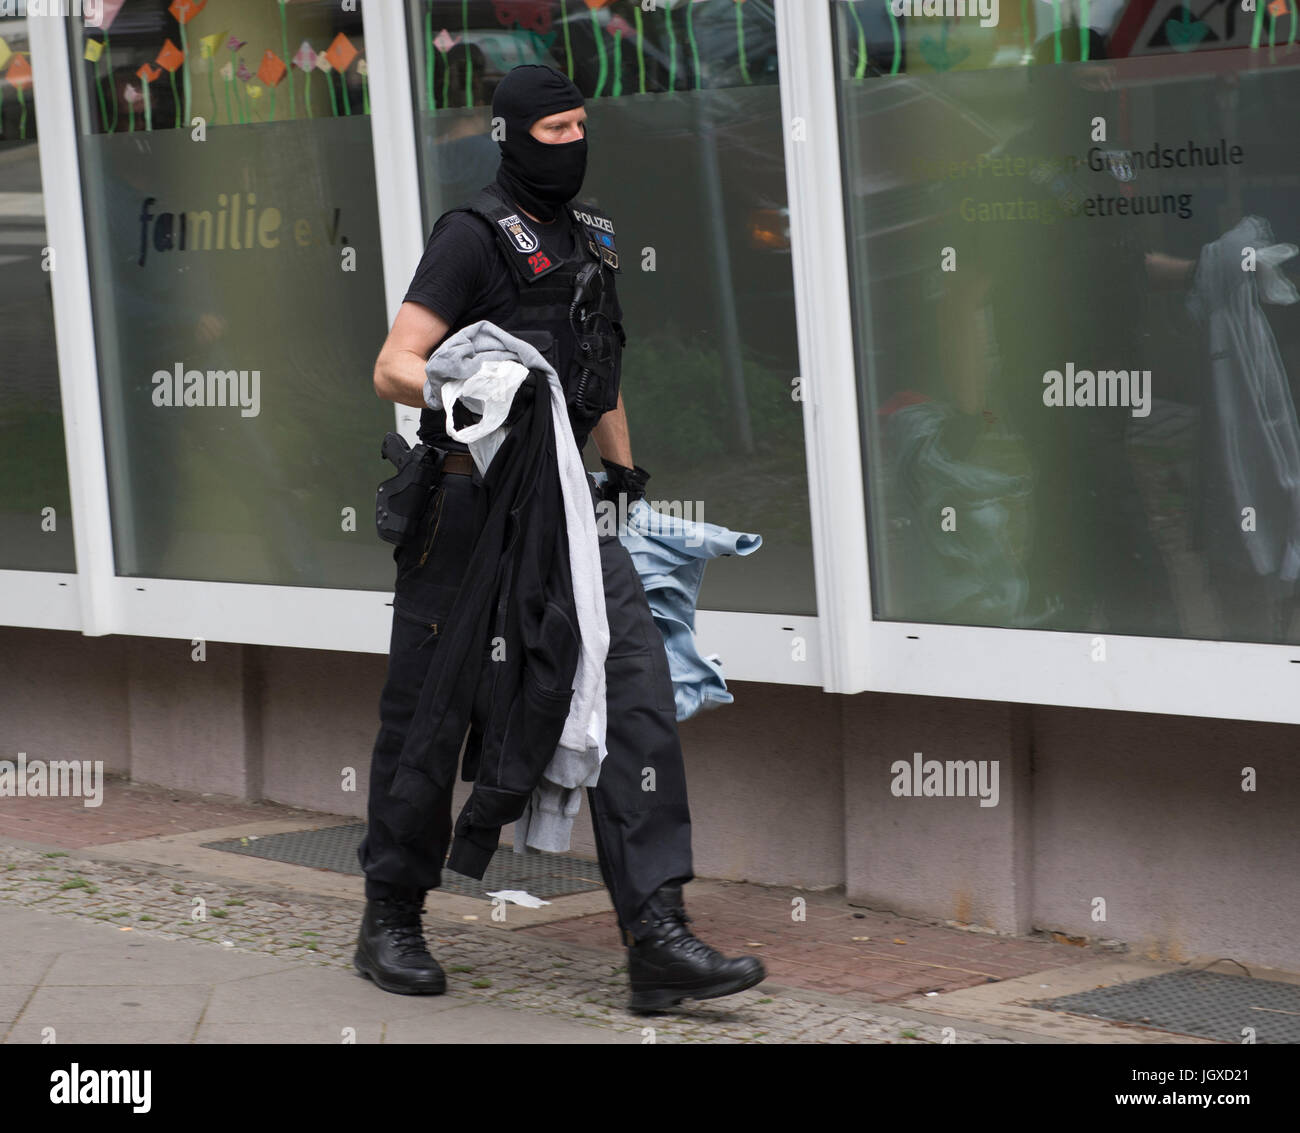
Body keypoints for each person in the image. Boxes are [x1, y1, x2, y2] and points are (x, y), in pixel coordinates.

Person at [356, 63, 766, 1014]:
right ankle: (391, 916)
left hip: (572, 512)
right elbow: (394, 364)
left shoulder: (593, 237)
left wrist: (622, 478)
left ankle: (657, 934)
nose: (573, 144)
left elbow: (600, 370)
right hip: (464, 514)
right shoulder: (469, 237)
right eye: (553, 132)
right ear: (509, 137)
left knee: (635, 696)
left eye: (582, 126)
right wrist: (479, 392)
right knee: (430, 713)